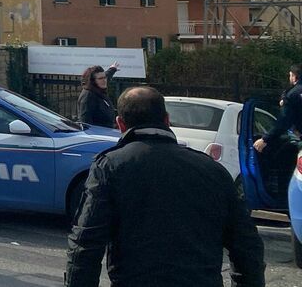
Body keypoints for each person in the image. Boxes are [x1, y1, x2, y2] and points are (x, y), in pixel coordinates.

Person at [65, 86, 265, 287]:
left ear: (120, 124)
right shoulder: (212, 170)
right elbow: (247, 245)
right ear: (167, 120)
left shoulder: (110, 167)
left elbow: (86, 244)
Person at [254, 63, 302, 154]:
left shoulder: (292, 95)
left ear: (294, 77)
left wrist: (265, 139)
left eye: (290, 75)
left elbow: (284, 121)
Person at [77, 62, 120, 128]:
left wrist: (112, 69)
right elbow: (85, 123)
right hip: (99, 133)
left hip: (108, 131)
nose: (104, 80)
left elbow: (106, 76)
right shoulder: (88, 97)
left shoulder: (98, 88)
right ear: (92, 81)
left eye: (105, 78)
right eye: (100, 79)